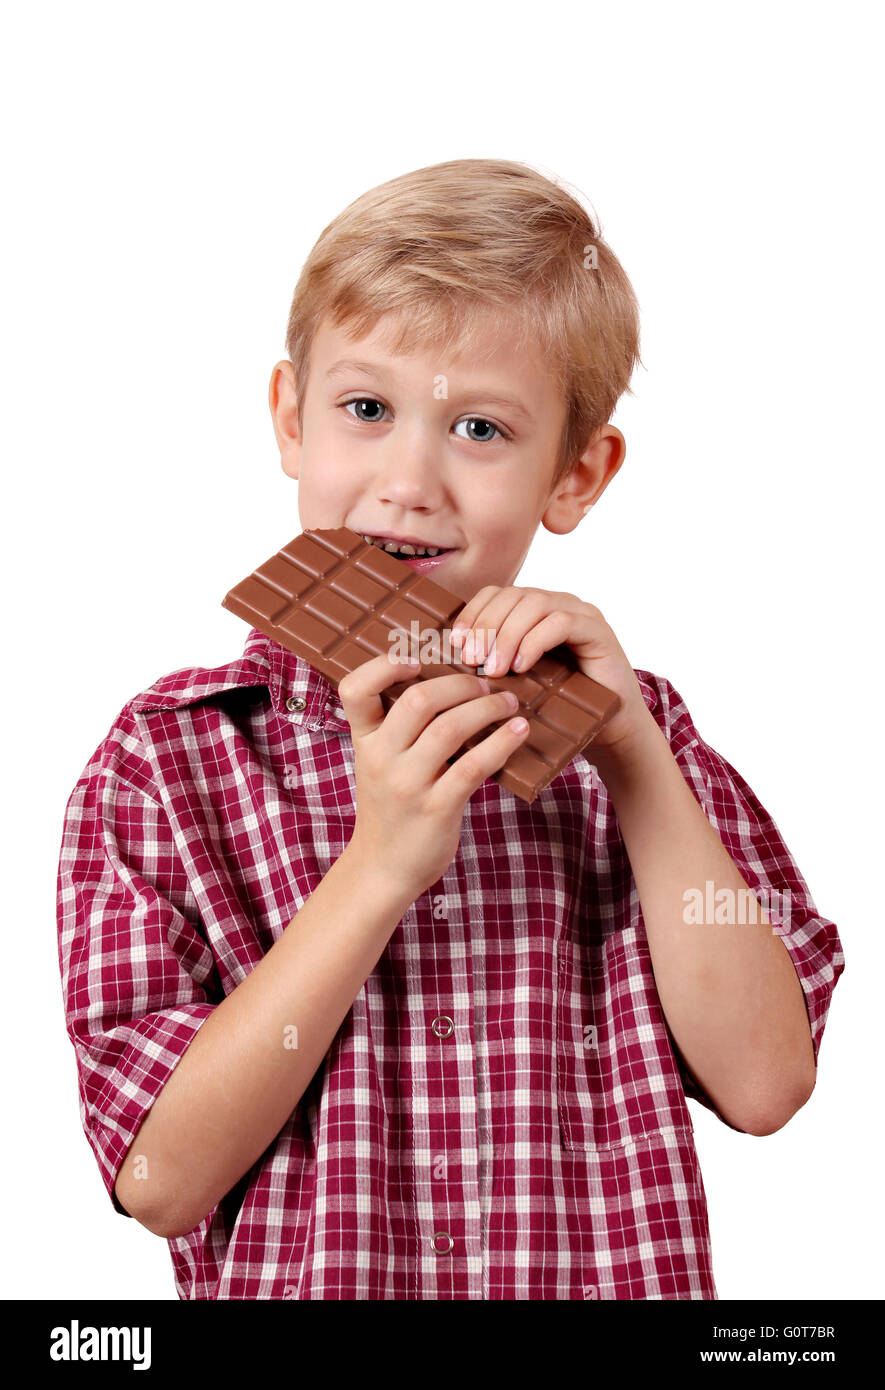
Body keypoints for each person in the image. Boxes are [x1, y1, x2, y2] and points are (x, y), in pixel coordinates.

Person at [56, 157, 844, 1300]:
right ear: (290, 416)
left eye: (479, 426)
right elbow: (160, 1179)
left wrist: (632, 758)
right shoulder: (170, 760)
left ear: (576, 475)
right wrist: (380, 867)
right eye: (365, 409)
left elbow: (767, 1082)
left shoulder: (641, 738)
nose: (409, 480)